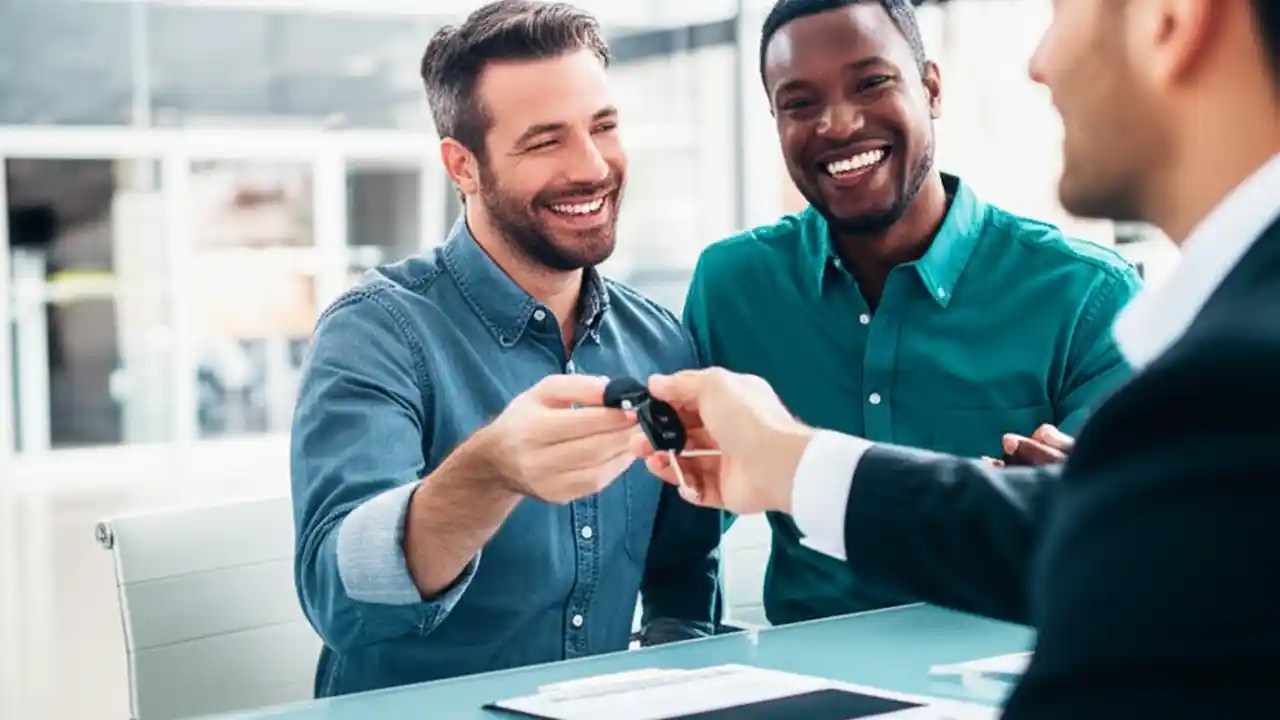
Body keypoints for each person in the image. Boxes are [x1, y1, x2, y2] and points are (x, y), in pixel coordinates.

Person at [637, 0, 1280, 715]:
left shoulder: (1208, 351)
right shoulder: (734, 281)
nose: (1037, 65)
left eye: (1063, 12)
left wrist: (790, 460)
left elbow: (1125, 561)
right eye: (800, 101)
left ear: (1172, 20)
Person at [290, 0, 720, 697]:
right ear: (462, 165)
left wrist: (667, 675)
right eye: (544, 141)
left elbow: (684, 570)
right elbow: (340, 598)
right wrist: (488, 474)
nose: (591, 167)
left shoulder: (661, 339)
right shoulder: (375, 332)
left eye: (603, 127)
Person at [682, 0, 1141, 623]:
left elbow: (1132, 538)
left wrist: (1075, 497)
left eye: (871, 83)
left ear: (930, 88)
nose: (838, 124)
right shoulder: (733, 285)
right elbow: (683, 517)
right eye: (800, 103)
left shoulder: (1087, 294)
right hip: (804, 688)